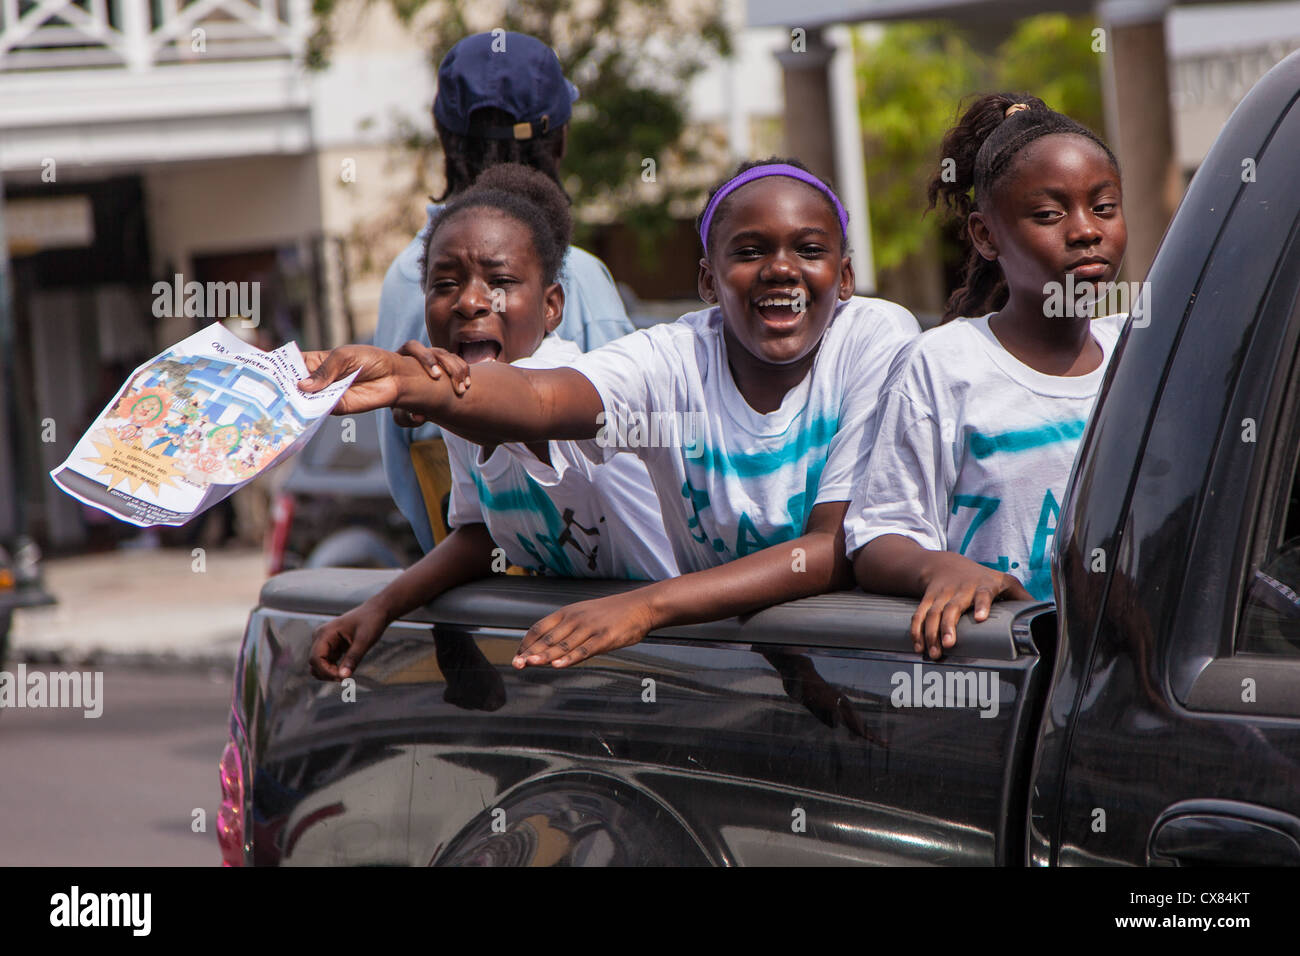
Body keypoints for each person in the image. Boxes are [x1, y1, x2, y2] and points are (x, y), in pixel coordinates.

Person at [301, 157, 920, 670]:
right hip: (699, 661)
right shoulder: (665, 357)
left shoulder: (870, 338)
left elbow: (830, 548)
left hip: (850, 660)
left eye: (808, 249)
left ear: (845, 277)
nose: (781, 268)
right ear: (708, 280)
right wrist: (382, 605)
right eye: (750, 250)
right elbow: (488, 514)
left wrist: (643, 606)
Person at [310, 165, 675, 681]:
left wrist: (420, 388)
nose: (470, 301)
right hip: (609, 668)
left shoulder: (571, 382)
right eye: (445, 284)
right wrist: (380, 607)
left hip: (692, 654)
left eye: (500, 282)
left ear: (552, 307)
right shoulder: (459, 401)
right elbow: (482, 535)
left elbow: (525, 405)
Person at [845, 93, 1129, 661]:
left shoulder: (1139, 350)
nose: (1085, 232)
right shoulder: (945, 363)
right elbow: (877, 537)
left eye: (1104, 208)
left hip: (1127, 667)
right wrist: (943, 568)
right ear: (985, 234)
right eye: (1049, 215)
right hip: (1012, 679)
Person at [377, 30, 634, 554]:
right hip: (588, 598)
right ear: (559, 141)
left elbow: (401, 473)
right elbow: (633, 456)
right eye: (449, 285)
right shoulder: (577, 276)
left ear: (444, 140)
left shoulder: (403, 279)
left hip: (462, 595)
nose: (471, 303)